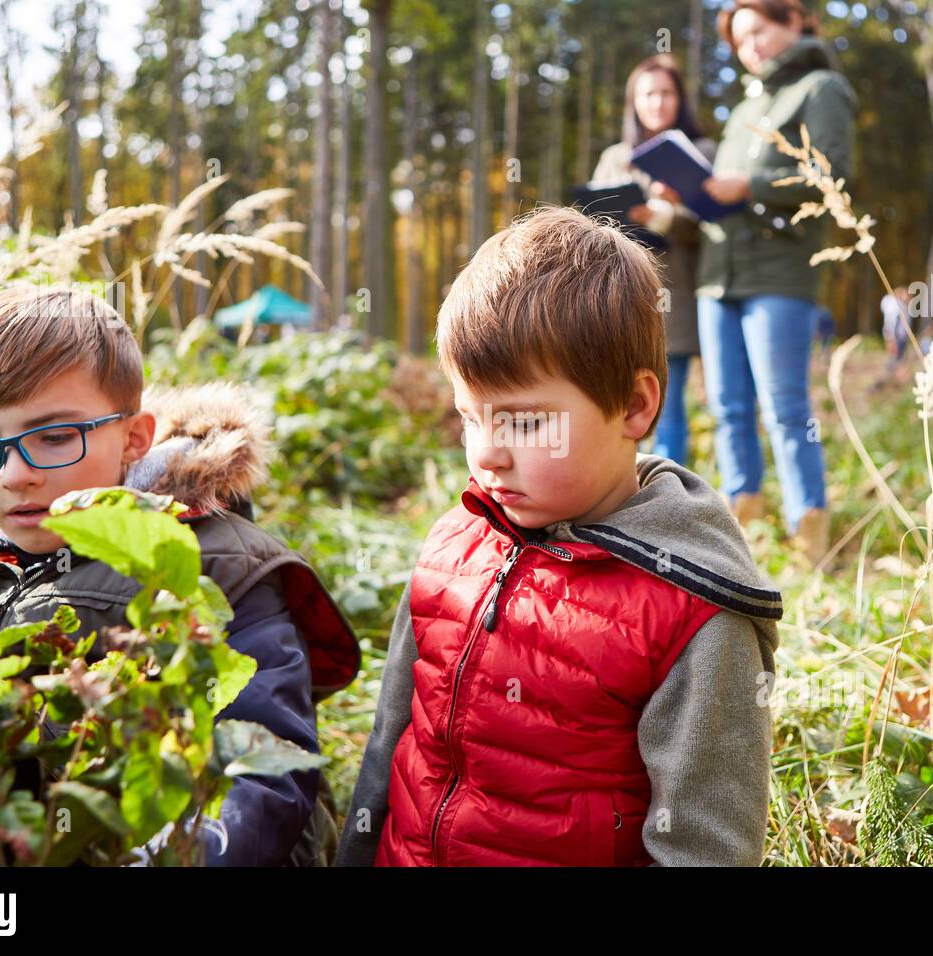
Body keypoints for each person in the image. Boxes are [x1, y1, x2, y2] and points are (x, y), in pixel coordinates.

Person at [334, 207, 781, 867]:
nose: (487, 455)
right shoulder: (455, 545)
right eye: (468, 417)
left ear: (633, 406)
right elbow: (387, 750)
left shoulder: (692, 609)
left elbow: (703, 847)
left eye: (522, 422)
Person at [0, 286, 361, 866]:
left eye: (54, 437)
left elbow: (262, 776)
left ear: (134, 438)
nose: (15, 474)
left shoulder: (213, 568)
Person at [663, 0, 855, 564]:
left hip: (779, 272)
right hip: (718, 279)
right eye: (740, 40)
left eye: (760, 31)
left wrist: (747, 184)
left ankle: (810, 540)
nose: (751, 47)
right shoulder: (750, 103)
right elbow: (722, 197)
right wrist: (691, 197)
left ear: (793, 22)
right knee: (728, 409)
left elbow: (829, 176)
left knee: (785, 409)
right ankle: (740, 536)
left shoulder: (821, 88)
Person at [591, 54, 716, 466]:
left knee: (667, 404)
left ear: (680, 99)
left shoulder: (700, 151)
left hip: (675, 296)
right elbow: (592, 221)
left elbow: (710, 223)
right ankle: (619, 491)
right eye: (648, 94)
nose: (657, 102)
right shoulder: (615, 157)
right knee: (616, 404)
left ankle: (666, 500)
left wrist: (665, 215)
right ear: (634, 102)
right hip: (617, 297)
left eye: (666, 93)